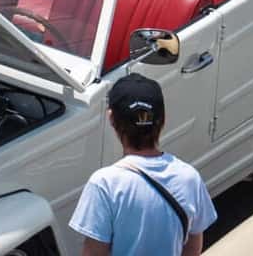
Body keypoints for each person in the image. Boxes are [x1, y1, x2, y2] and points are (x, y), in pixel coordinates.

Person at [70, 74, 216, 256]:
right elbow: (193, 246)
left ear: (112, 119)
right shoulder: (189, 177)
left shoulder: (104, 184)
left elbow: (93, 253)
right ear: (163, 120)